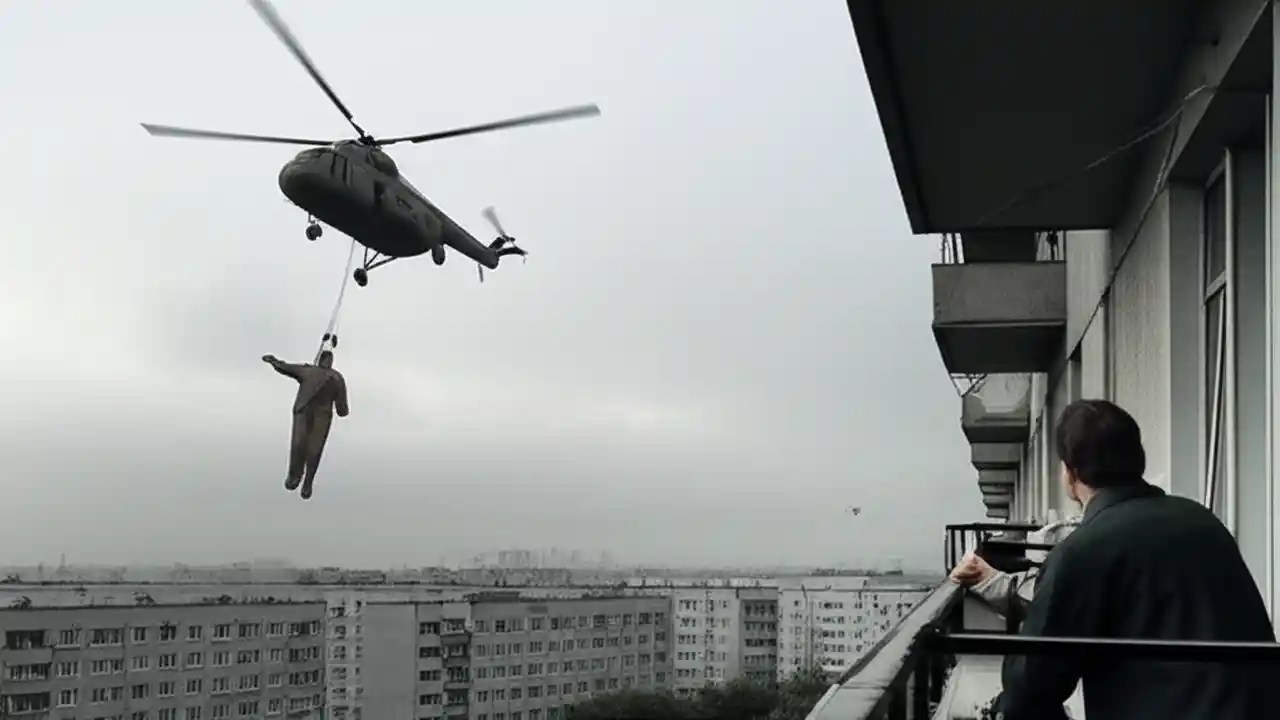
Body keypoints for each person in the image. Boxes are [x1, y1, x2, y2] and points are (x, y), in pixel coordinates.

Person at [993, 399, 1272, 720]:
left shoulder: (1082, 551)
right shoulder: (1202, 521)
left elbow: (1029, 688)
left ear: (1070, 474)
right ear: (1137, 459)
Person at [262, 350, 349, 500]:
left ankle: (307, 480)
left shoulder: (336, 378)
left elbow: (342, 409)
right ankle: (295, 476)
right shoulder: (309, 371)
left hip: (321, 416)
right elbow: (287, 368)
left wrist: (274, 362)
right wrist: (274, 361)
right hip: (304, 411)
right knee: (299, 445)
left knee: (313, 450)